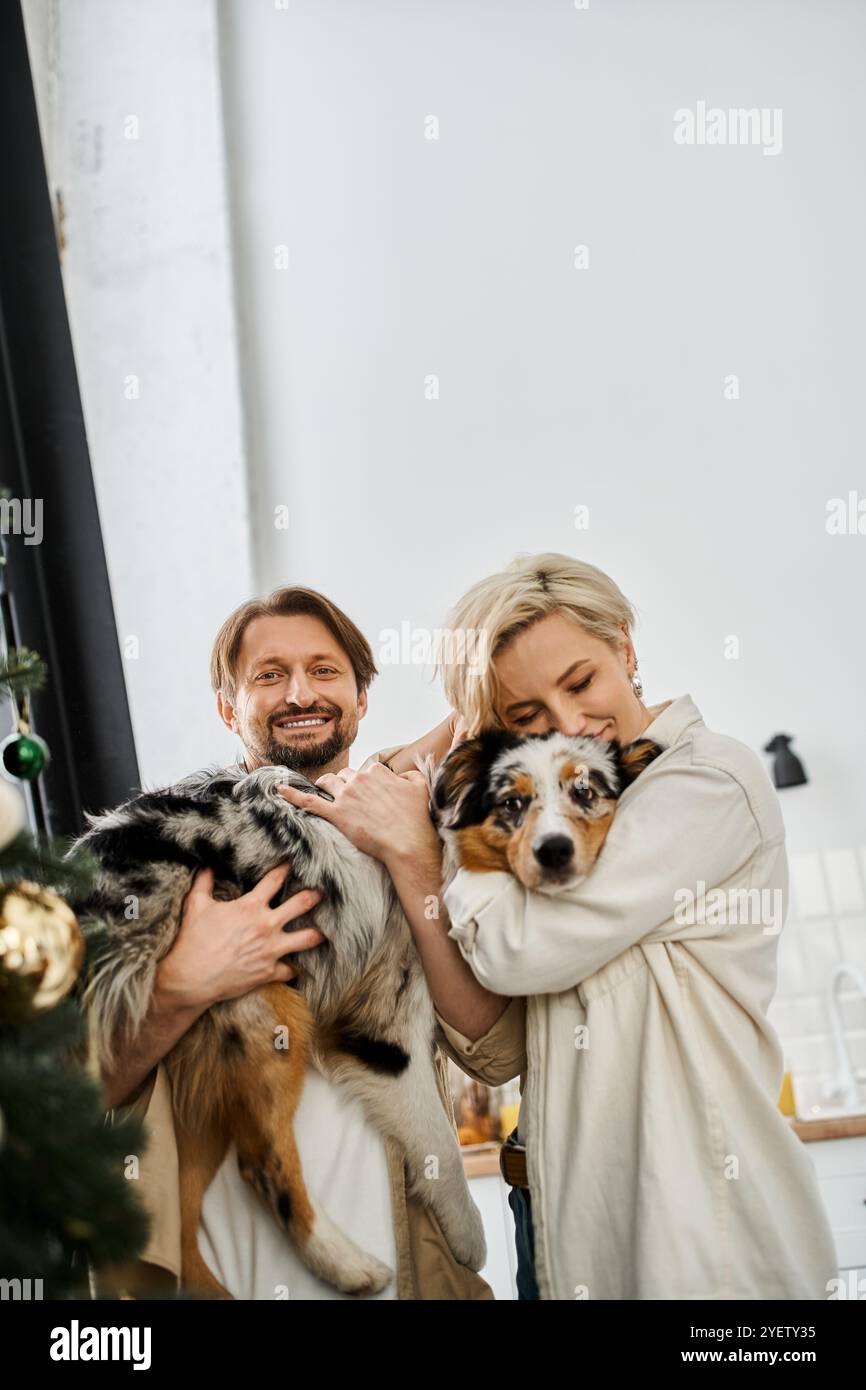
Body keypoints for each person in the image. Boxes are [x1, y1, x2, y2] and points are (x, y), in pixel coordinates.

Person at [278, 552, 841, 1300]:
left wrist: (423, 851)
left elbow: (515, 951)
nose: (572, 725)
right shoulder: (544, 814)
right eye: (528, 717)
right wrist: (458, 751)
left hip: (702, 1228)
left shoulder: (708, 782)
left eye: (581, 682)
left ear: (625, 645)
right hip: (546, 1215)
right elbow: (495, 1045)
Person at [95, 586, 522, 1301]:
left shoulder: (426, 826)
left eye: (325, 671)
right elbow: (70, 1097)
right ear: (229, 708)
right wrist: (182, 986)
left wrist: (414, 862)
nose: (300, 693)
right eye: (269, 675)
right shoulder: (163, 854)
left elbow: (497, 1051)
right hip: (234, 1274)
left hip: (412, 1275)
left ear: (360, 698)